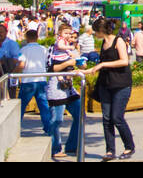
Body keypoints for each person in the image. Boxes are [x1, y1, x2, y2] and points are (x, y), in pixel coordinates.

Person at [82, 18, 135, 160]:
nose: (94, 34)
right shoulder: (104, 43)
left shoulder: (118, 41)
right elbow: (99, 65)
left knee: (116, 117)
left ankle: (129, 146)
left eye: (95, 31)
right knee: (106, 119)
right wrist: (84, 71)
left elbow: (124, 61)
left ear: (101, 31)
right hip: (106, 85)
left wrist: (103, 65)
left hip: (121, 84)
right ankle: (110, 150)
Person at [46, 26, 83, 160]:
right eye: (67, 34)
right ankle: (55, 148)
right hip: (57, 88)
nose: (70, 37)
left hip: (69, 89)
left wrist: (80, 61)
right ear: (60, 34)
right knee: (57, 119)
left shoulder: (71, 49)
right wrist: (68, 62)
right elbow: (50, 68)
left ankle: (72, 145)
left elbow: (80, 65)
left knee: (79, 114)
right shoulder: (53, 48)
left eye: (72, 35)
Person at [16, 29, 51, 137]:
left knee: (21, 107)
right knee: (44, 106)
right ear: (37, 37)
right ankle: (49, 128)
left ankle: (16, 128)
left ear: (27, 38)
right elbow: (47, 62)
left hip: (28, 80)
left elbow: (22, 65)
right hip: (41, 79)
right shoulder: (43, 49)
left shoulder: (24, 49)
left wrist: (14, 72)